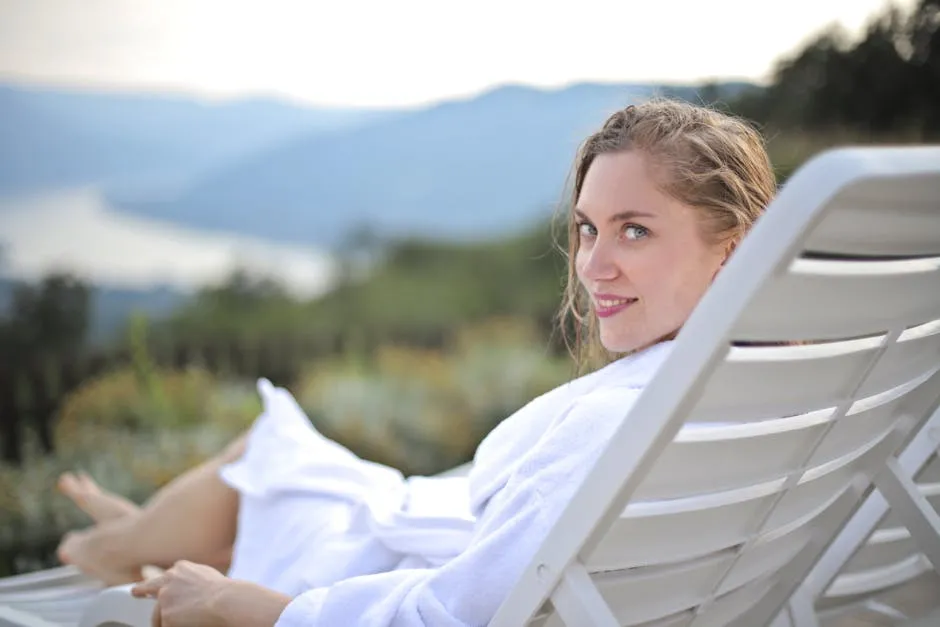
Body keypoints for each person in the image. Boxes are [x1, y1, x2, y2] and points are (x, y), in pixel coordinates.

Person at [56, 98, 777, 627]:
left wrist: (253, 608)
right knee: (287, 469)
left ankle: (112, 546)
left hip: (376, 586)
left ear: (734, 249)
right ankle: (141, 542)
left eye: (635, 231)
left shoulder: (628, 417)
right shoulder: (768, 390)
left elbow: (453, 615)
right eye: (588, 228)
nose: (593, 264)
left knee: (272, 455)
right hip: (430, 550)